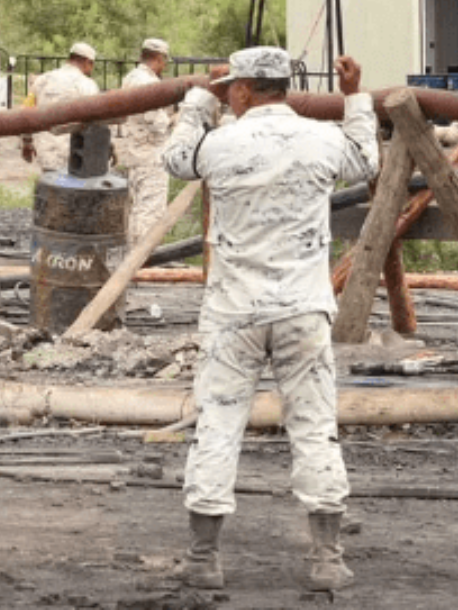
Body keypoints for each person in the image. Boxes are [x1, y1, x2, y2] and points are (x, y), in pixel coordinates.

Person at [161, 46, 378, 592]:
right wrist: (354, 97)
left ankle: (204, 557)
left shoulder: (221, 143)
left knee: (217, 424)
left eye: (230, 89)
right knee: (315, 427)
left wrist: (198, 99)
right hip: (303, 307)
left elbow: (176, 158)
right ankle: (326, 558)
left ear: (240, 89)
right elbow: (366, 161)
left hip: (234, 311)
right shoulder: (321, 139)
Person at [118, 38, 173, 244]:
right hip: (151, 154)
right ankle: (145, 255)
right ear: (158, 58)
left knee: (137, 208)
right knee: (150, 210)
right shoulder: (149, 83)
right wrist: (174, 120)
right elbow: (157, 122)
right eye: (164, 61)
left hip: (134, 151)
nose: (164, 65)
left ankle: (134, 252)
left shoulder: (130, 77)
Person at [20, 43, 100, 172]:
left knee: (50, 182)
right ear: (87, 62)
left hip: (46, 150)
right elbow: (96, 122)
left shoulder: (42, 80)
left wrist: (27, 142)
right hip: (75, 153)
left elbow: (27, 113)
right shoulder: (88, 85)